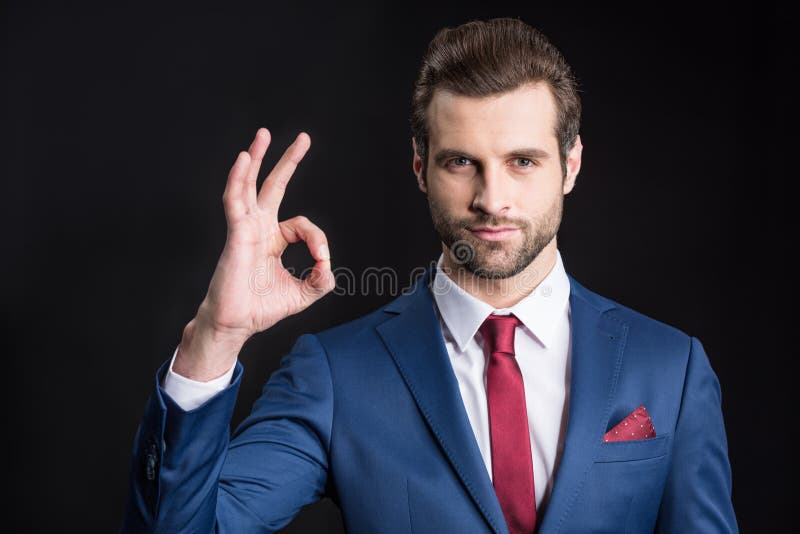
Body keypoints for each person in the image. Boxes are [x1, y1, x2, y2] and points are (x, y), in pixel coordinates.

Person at [122, 17, 738, 533]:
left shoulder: (672, 369)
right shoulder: (335, 376)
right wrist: (215, 336)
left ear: (570, 165)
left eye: (523, 161)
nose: (492, 199)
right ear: (420, 167)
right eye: (461, 162)